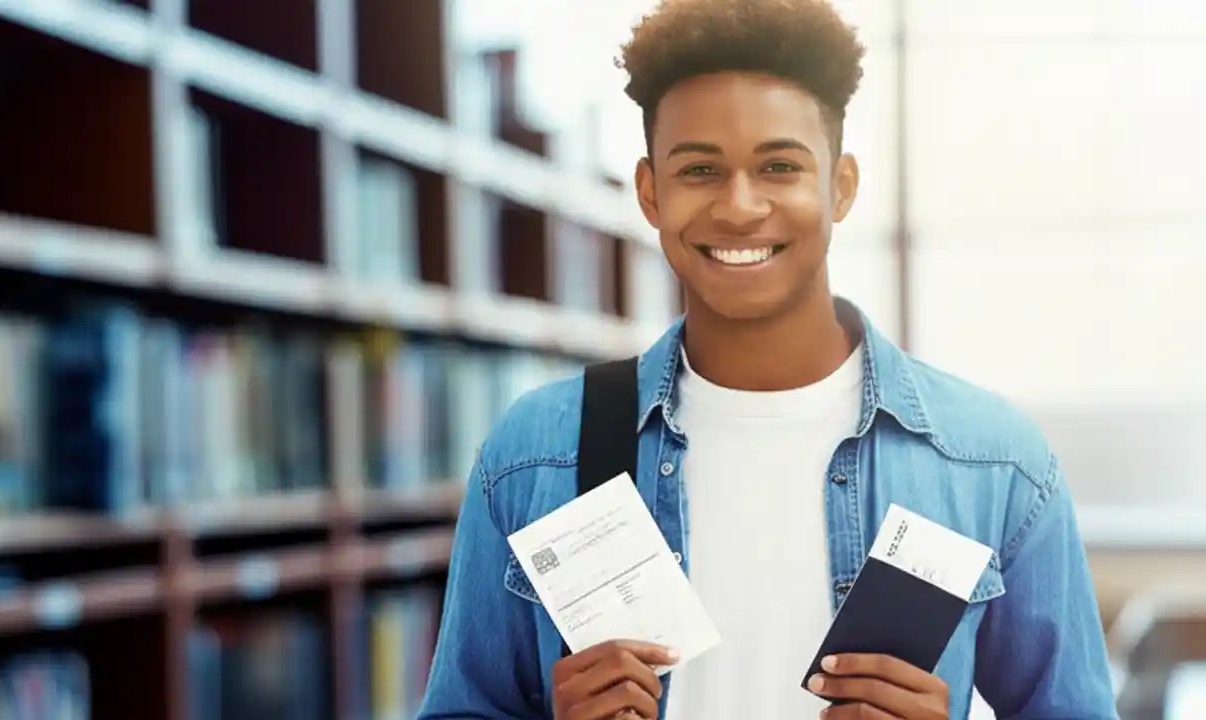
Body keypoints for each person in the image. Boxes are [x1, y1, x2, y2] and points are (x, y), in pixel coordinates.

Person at [419, 0, 1118, 717]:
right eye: (699, 171)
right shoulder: (536, 454)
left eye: (779, 166)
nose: (741, 207)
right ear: (650, 191)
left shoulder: (992, 464)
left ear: (840, 185)